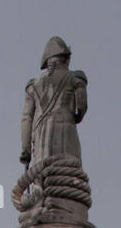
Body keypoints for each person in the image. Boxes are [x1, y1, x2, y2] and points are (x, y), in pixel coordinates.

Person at [20, 37, 88, 168]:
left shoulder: (33, 85)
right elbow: (82, 105)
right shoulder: (75, 77)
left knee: (41, 176)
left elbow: (26, 119)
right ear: (65, 58)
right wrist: (78, 116)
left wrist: (26, 150)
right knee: (69, 173)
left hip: (40, 136)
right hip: (66, 131)